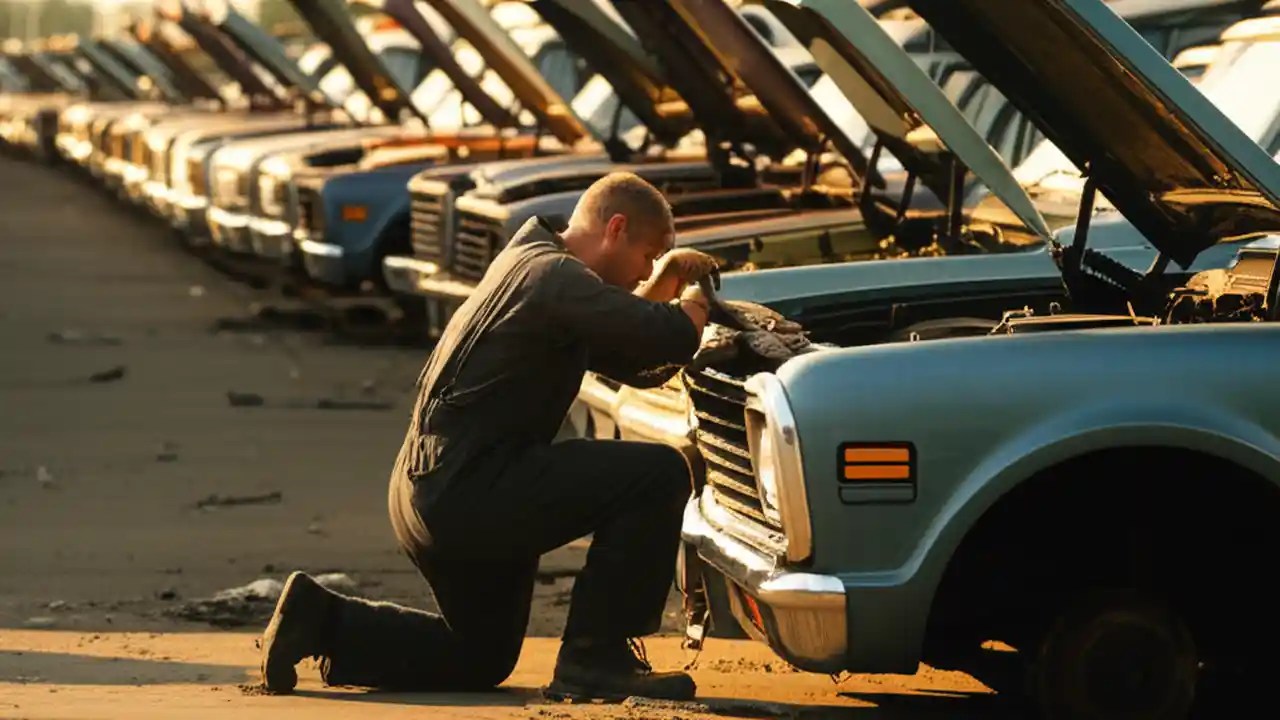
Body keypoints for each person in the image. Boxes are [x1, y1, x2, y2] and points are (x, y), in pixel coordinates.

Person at [258, 172, 718, 702]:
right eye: (648, 258)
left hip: (429, 488)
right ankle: (597, 657)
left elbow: (636, 359)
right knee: (657, 475)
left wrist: (663, 293)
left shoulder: (531, 264)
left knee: (480, 654)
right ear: (616, 228)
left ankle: (319, 619)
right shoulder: (555, 277)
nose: (646, 274)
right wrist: (697, 301)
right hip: (468, 490)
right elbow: (665, 335)